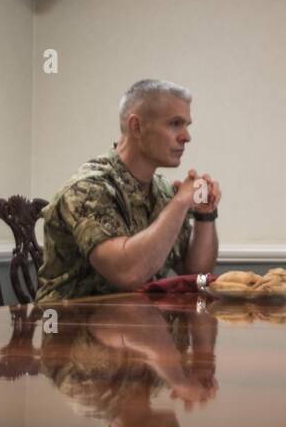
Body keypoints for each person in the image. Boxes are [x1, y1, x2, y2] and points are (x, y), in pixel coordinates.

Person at [36, 79, 221, 302]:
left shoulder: (162, 190)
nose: (186, 136)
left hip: (136, 325)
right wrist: (180, 203)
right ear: (137, 126)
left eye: (186, 125)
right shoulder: (88, 188)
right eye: (174, 124)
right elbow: (127, 273)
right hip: (71, 325)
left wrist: (204, 215)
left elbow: (195, 273)